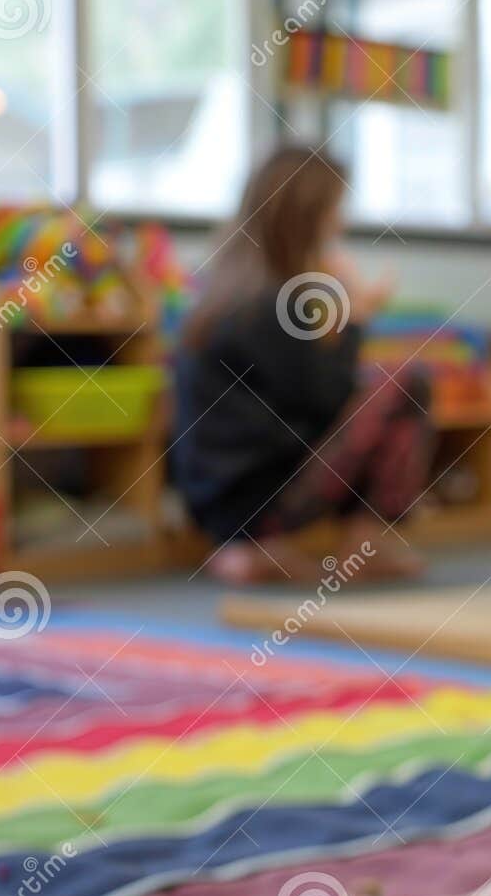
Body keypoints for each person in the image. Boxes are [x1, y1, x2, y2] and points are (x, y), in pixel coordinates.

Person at [173, 145, 431, 584]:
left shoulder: (228, 286)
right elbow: (327, 401)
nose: (341, 223)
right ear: (307, 216)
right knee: (406, 383)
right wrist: (353, 317)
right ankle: (361, 542)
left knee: (381, 384)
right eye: (335, 210)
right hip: (261, 505)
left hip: (215, 503)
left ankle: (246, 549)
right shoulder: (279, 301)